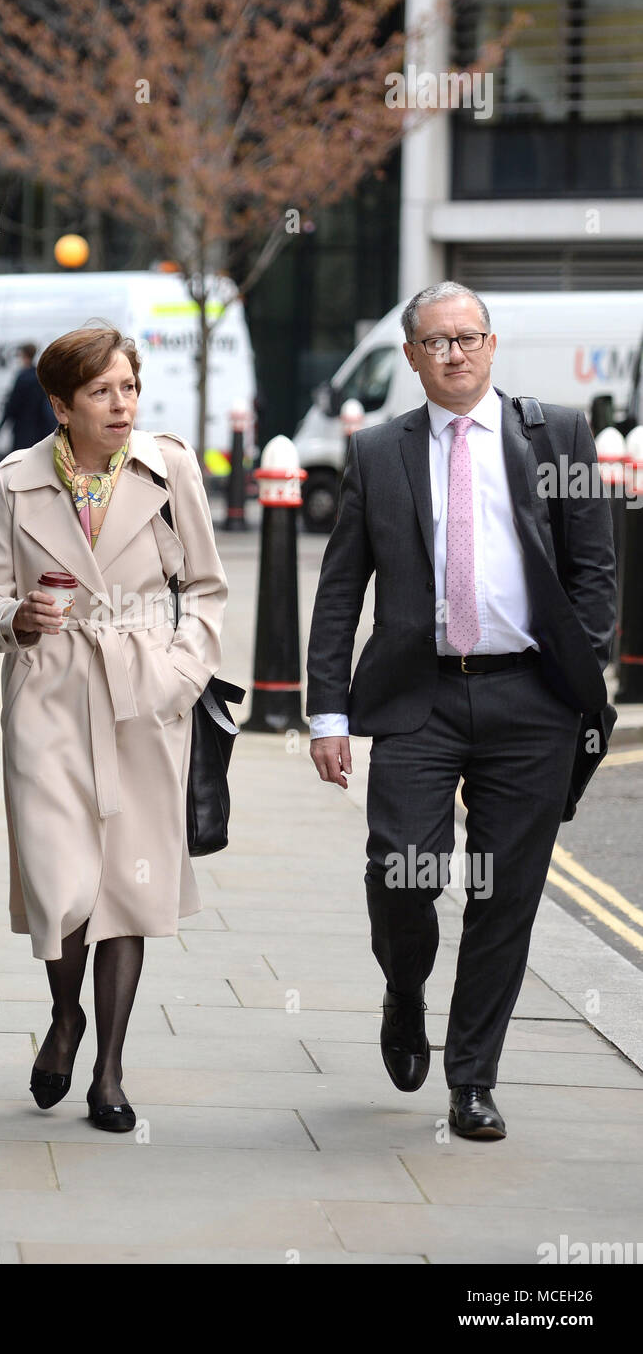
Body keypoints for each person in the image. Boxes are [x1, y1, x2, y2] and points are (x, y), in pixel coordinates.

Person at [306, 281, 616, 1140]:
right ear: (410, 357)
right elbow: (338, 597)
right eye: (436, 341)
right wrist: (327, 715)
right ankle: (405, 992)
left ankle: (471, 1079)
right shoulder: (378, 453)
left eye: (468, 337)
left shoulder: (556, 434)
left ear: (491, 344)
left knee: (504, 897)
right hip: (419, 696)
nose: (455, 352)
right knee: (401, 870)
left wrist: (581, 676)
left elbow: (595, 570)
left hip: (531, 697)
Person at [0, 325, 227, 1132]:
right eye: (101, 392)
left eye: (129, 388)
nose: (121, 405)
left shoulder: (169, 466)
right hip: (47, 695)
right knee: (61, 883)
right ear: (60, 404)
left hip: (141, 696)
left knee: (128, 887)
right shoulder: (12, 483)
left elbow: (209, 588)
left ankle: (108, 1069)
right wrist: (19, 616)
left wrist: (180, 676)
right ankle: (64, 1014)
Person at [0, 343, 56, 452]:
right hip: (41, 430)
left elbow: (12, 406)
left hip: (23, 430)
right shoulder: (40, 375)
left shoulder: (22, 378)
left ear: (24, 356)